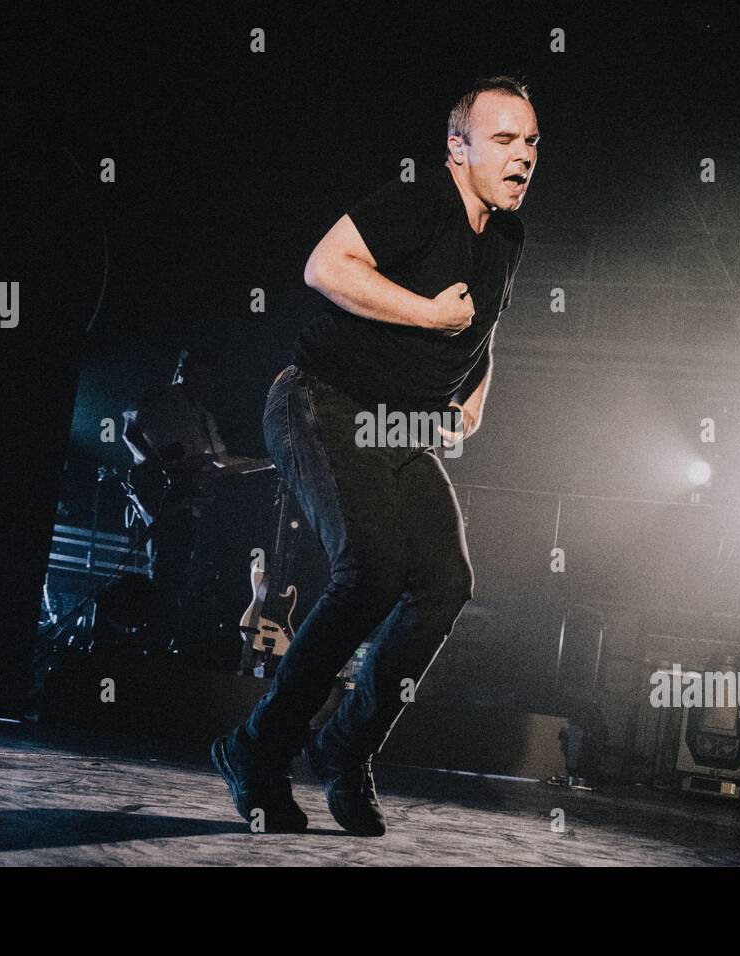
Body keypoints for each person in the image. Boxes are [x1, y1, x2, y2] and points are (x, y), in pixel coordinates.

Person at [211, 76, 536, 834]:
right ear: (457, 149)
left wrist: (473, 397)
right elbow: (325, 266)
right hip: (321, 402)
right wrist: (427, 313)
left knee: (446, 583)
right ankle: (256, 750)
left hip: (402, 428)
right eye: (503, 140)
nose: (522, 157)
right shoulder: (419, 199)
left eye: (530, 143)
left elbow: (486, 329)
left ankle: (344, 749)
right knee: (373, 568)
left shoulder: (510, 238)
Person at [122, 360, 248, 654]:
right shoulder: (160, 397)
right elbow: (130, 432)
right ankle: (153, 639)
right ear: (185, 371)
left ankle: (164, 637)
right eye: (201, 374)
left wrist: (260, 464)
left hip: (188, 498)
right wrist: (161, 467)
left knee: (178, 566)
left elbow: (219, 458)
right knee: (167, 561)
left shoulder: (203, 415)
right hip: (163, 492)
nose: (207, 381)